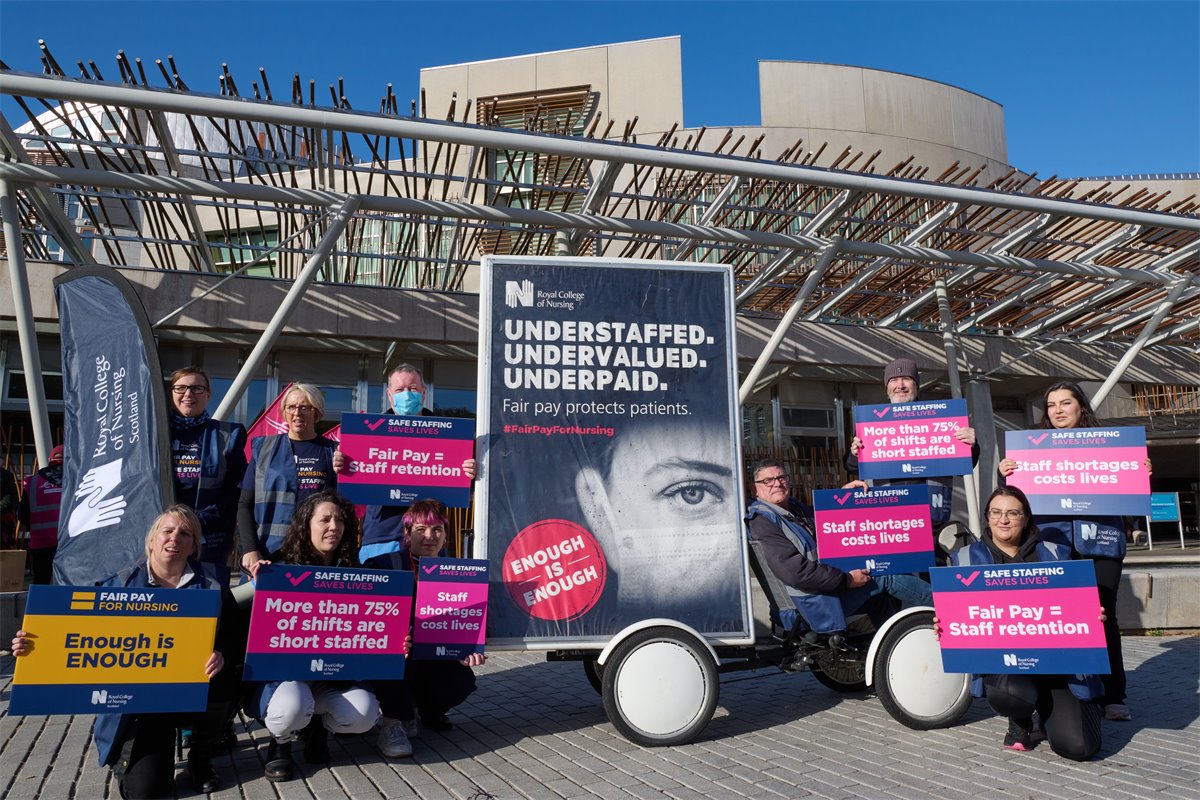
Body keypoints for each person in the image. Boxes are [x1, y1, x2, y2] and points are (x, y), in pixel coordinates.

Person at [11, 505, 240, 797]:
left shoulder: (212, 586)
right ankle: (128, 756)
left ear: (194, 545)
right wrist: (34, 646)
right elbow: (78, 638)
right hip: (138, 705)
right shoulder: (118, 585)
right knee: (147, 791)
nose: (175, 538)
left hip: (188, 692)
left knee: (229, 681)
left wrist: (222, 654)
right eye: (167, 531)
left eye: (185, 533)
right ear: (151, 540)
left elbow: (234, 635)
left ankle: (200, 757)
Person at [998, 380, 1147, 722]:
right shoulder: (1031, 449)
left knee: (1103, 615)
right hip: (1054, 542)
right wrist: (1004, 473)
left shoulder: (1109, 445)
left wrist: (1141, 472)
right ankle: (1070, 689)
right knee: (1061, 618)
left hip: (1102, 542)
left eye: (1066, 403)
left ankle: (1113, 693)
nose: (1059, 410)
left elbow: (1129, 486)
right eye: (1052, 405)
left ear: (1081, 407)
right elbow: (1015, 499)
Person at [952, 485, 1103, 760]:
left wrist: (1092, 615)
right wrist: (946, 625)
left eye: (1012, 513)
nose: (1004, 520)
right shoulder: (965, 559)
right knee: (1011, 694)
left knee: (1079, 748)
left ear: (1026, 518)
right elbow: (958, 616)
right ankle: (1019, 721)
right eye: (996, 512)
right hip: (1006, 664)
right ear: (987, 517)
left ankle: (1054, 710)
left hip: (1057, 664)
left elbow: (1077, 605)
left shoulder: (1056, 552)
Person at [244, 491, 382, 782]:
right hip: (288, 677)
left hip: (332, 675)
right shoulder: (279, 567)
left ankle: (318, 727)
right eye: (325, 519)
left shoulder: (355, 571)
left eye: (340, 520)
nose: (334, 526)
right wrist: (261, 584)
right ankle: (279, 743)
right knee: (290, 708)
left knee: (364, 714)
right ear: (306, 525)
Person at [745, 459, 934, 635]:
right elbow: (796, 572)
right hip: (811, 604)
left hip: (823, 593)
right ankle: (949, 608)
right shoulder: (763, 522)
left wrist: (842, 497)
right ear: (755, 489)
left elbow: (830, 526)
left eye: (781, 477)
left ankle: (892, 646)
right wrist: (847, 579)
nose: (777, 483)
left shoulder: (793, 509)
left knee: (881, 597)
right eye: (768, 481)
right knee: (887, 576)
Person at [363, 499, 486, 758]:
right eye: (420, 530)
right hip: (398, 658)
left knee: (459, 682)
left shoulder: (457, 574)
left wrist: (470, 648)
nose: (429, 537)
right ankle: (393, 721)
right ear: (407, 534)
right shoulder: (385, 565)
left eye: (437, 530)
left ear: (445, 535)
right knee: (398, 653)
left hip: (432, 655)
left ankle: (423, 711)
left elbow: (466, 622)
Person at [342, 364, 475, 564]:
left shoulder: (448, 438)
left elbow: (468, 492)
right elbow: (350, 486)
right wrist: (342, 465)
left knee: (426, 595)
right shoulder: (369, 435)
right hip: (383, 536)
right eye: (399, 390)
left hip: (429, 538)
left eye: (412, 389)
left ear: (423, 393)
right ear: (389, 395)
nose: (406, 394)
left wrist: (469, 475)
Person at [846, 356, 978, 527]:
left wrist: (972, 446)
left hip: (931, 516)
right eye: (894, 380)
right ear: (887, 387)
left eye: (906, 379)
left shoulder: (942, 420)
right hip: (886, 517)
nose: (900, 385)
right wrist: (855, 453)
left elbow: (965, 465)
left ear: (916, 385)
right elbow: (852, 467)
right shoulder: (870, 424)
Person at [238, 383, 338, 573]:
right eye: (291, 407)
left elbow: (343, 506)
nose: (297, 413)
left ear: (317, 412)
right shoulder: (263, 449)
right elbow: (244, 503)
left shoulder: (333, 451)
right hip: (269, 554)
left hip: (315, 555)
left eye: (304, 407)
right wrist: (250, 548)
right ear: (284, 412)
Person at [167, 367, 248, 578]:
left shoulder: (228, 434)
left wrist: (197, 520)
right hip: (164, 533)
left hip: (210, 535)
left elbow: (236, 489)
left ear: (208, 394)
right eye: (181, 388)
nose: (188, 394)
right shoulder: (155, 433)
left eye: (196, 388)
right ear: (171, 392)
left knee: (205, 599)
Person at [18, 444, 65, 585]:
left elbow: (22, 515)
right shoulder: (76, 480)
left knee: (41, 581)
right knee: (69, 584)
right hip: (69, 543)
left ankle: (39, 607)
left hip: (41, 543)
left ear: (50, 459)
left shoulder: (31, 482)